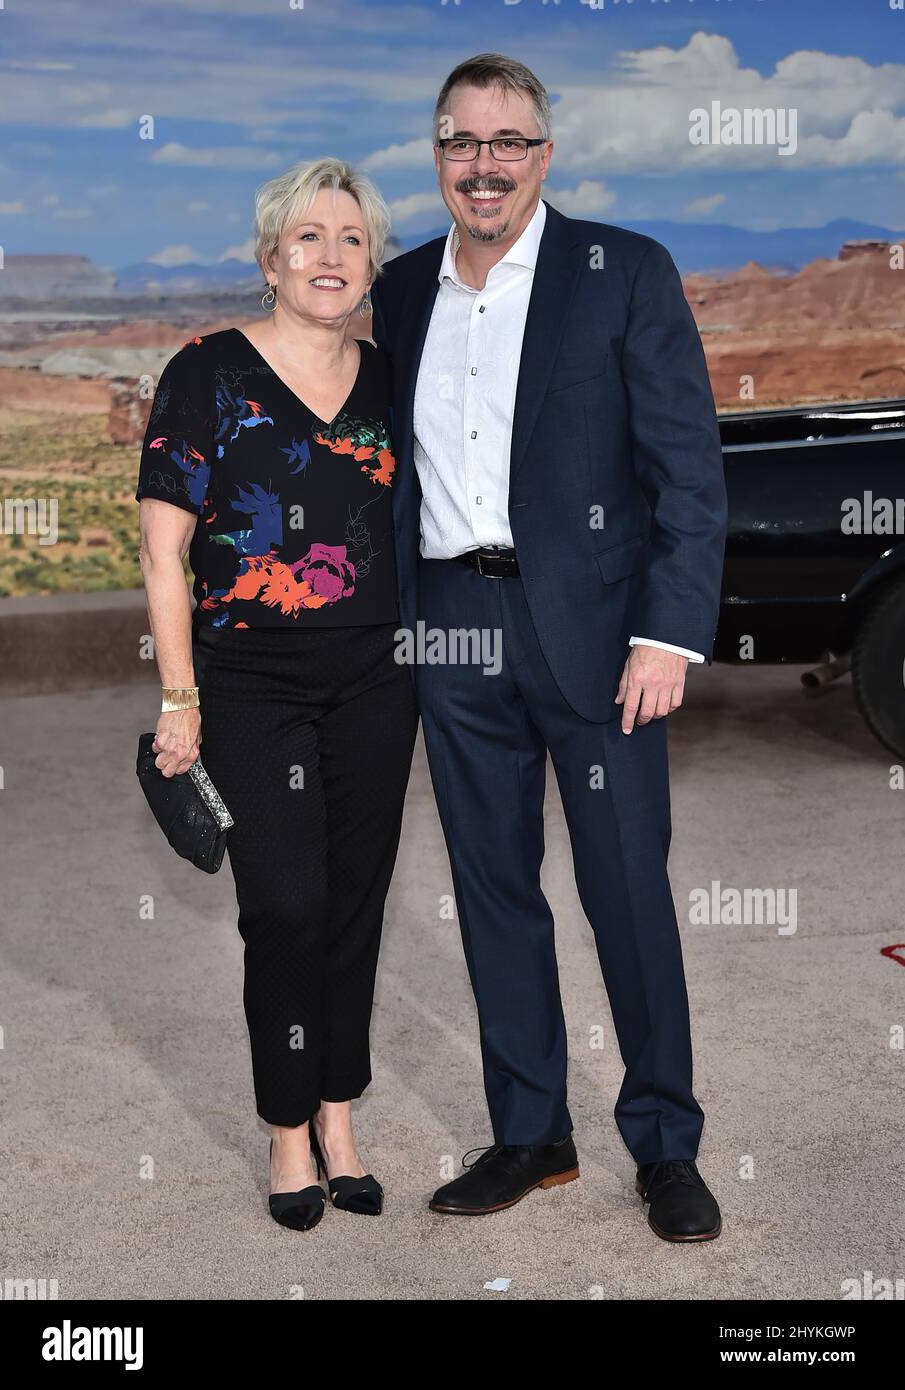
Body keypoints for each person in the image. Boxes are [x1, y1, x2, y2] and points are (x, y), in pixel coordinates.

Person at [371, 54, 728, 1241]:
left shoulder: (620, 270)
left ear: (544, 153)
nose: (484, 165)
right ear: (436, 155)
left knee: (626, 891)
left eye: (508, 142)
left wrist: (668, 632)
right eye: (461, 142)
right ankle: (531, 1131)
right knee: (492, 889)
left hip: (598, 636)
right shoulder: (404, 285)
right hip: (452, 623)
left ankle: (665, 1143)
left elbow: (685, 469)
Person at [136, 158, 417, 1231]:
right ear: (270, 259)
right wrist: (179, 698)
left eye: (350, 238)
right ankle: (285, 1130)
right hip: (248, 678)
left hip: (376, 677)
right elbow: (164, 554)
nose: (330, 257)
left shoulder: (390, 380)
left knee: (353, 904)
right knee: (286, 905)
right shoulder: (205, 371)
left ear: (371, 261)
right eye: (308, 237)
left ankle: (340, 1118)